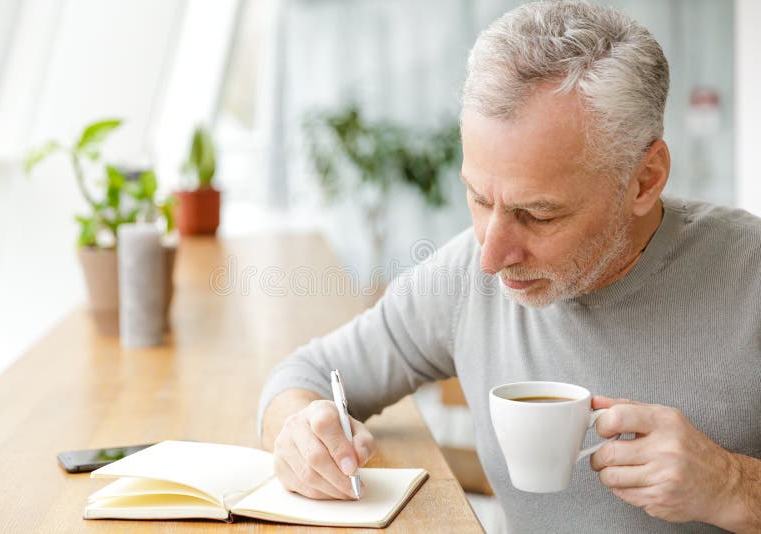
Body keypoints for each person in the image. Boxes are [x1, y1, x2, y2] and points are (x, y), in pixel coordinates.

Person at [257, 2, 761, 532]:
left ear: (644, 180)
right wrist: (300, 433)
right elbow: (303, 377)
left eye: (537, 214)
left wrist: (732, 486)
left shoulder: (749, 277)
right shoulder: (461, 279)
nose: (491, 258)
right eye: (477, 199)